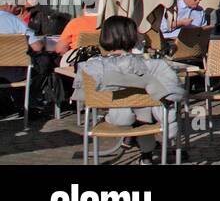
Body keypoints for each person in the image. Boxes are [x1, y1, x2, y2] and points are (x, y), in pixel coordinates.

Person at [73, 15, 185, 164]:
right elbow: (173, 91)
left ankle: (146, 154)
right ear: (133, 36)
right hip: (147, 116)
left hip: (115, 117)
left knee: (142, 110)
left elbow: (84, 95)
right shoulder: (151, 65)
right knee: (146, 109)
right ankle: (148, 154)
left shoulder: (89, 67)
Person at [0, 3, 45, 120]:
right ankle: (30, 105)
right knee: (41, 65)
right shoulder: (14, 21)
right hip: (16, 74)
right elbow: (37, 47)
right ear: (8, 5)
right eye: (16, 7)